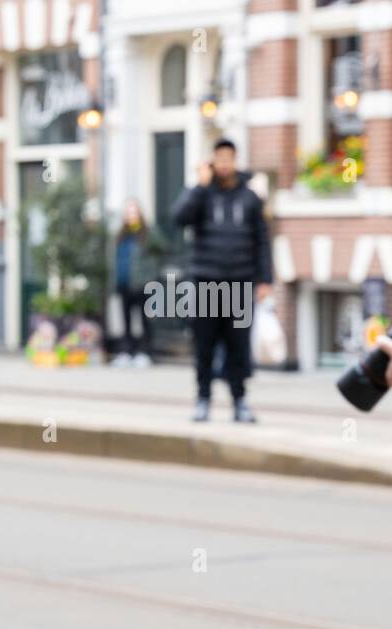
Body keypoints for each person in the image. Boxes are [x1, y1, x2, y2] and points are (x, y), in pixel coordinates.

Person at [171, 138, 273, 423]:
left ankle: (239, 401)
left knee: (238, 347)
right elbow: (179, 218)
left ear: (235, 160)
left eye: (230, 158)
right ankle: (202, 399)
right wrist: (200, 186)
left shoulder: (250, 198)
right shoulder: (202, 194)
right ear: (213, 161)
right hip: (206, 282)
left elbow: (262, 241)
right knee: (204, 345)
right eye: (220, 158)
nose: (225, 164)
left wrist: (265, 279)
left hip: (240, 283)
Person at [110, 199, 164, 368]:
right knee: (126, 321)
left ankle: (145, 352)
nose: (131, 216)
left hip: (143, 285)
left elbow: (161, 251)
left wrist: (152, 275)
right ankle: (126, 352)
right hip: (124, 284)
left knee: (145, 320)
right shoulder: (120, 235)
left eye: (134, 212)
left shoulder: (149, 233)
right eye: (128, 212)